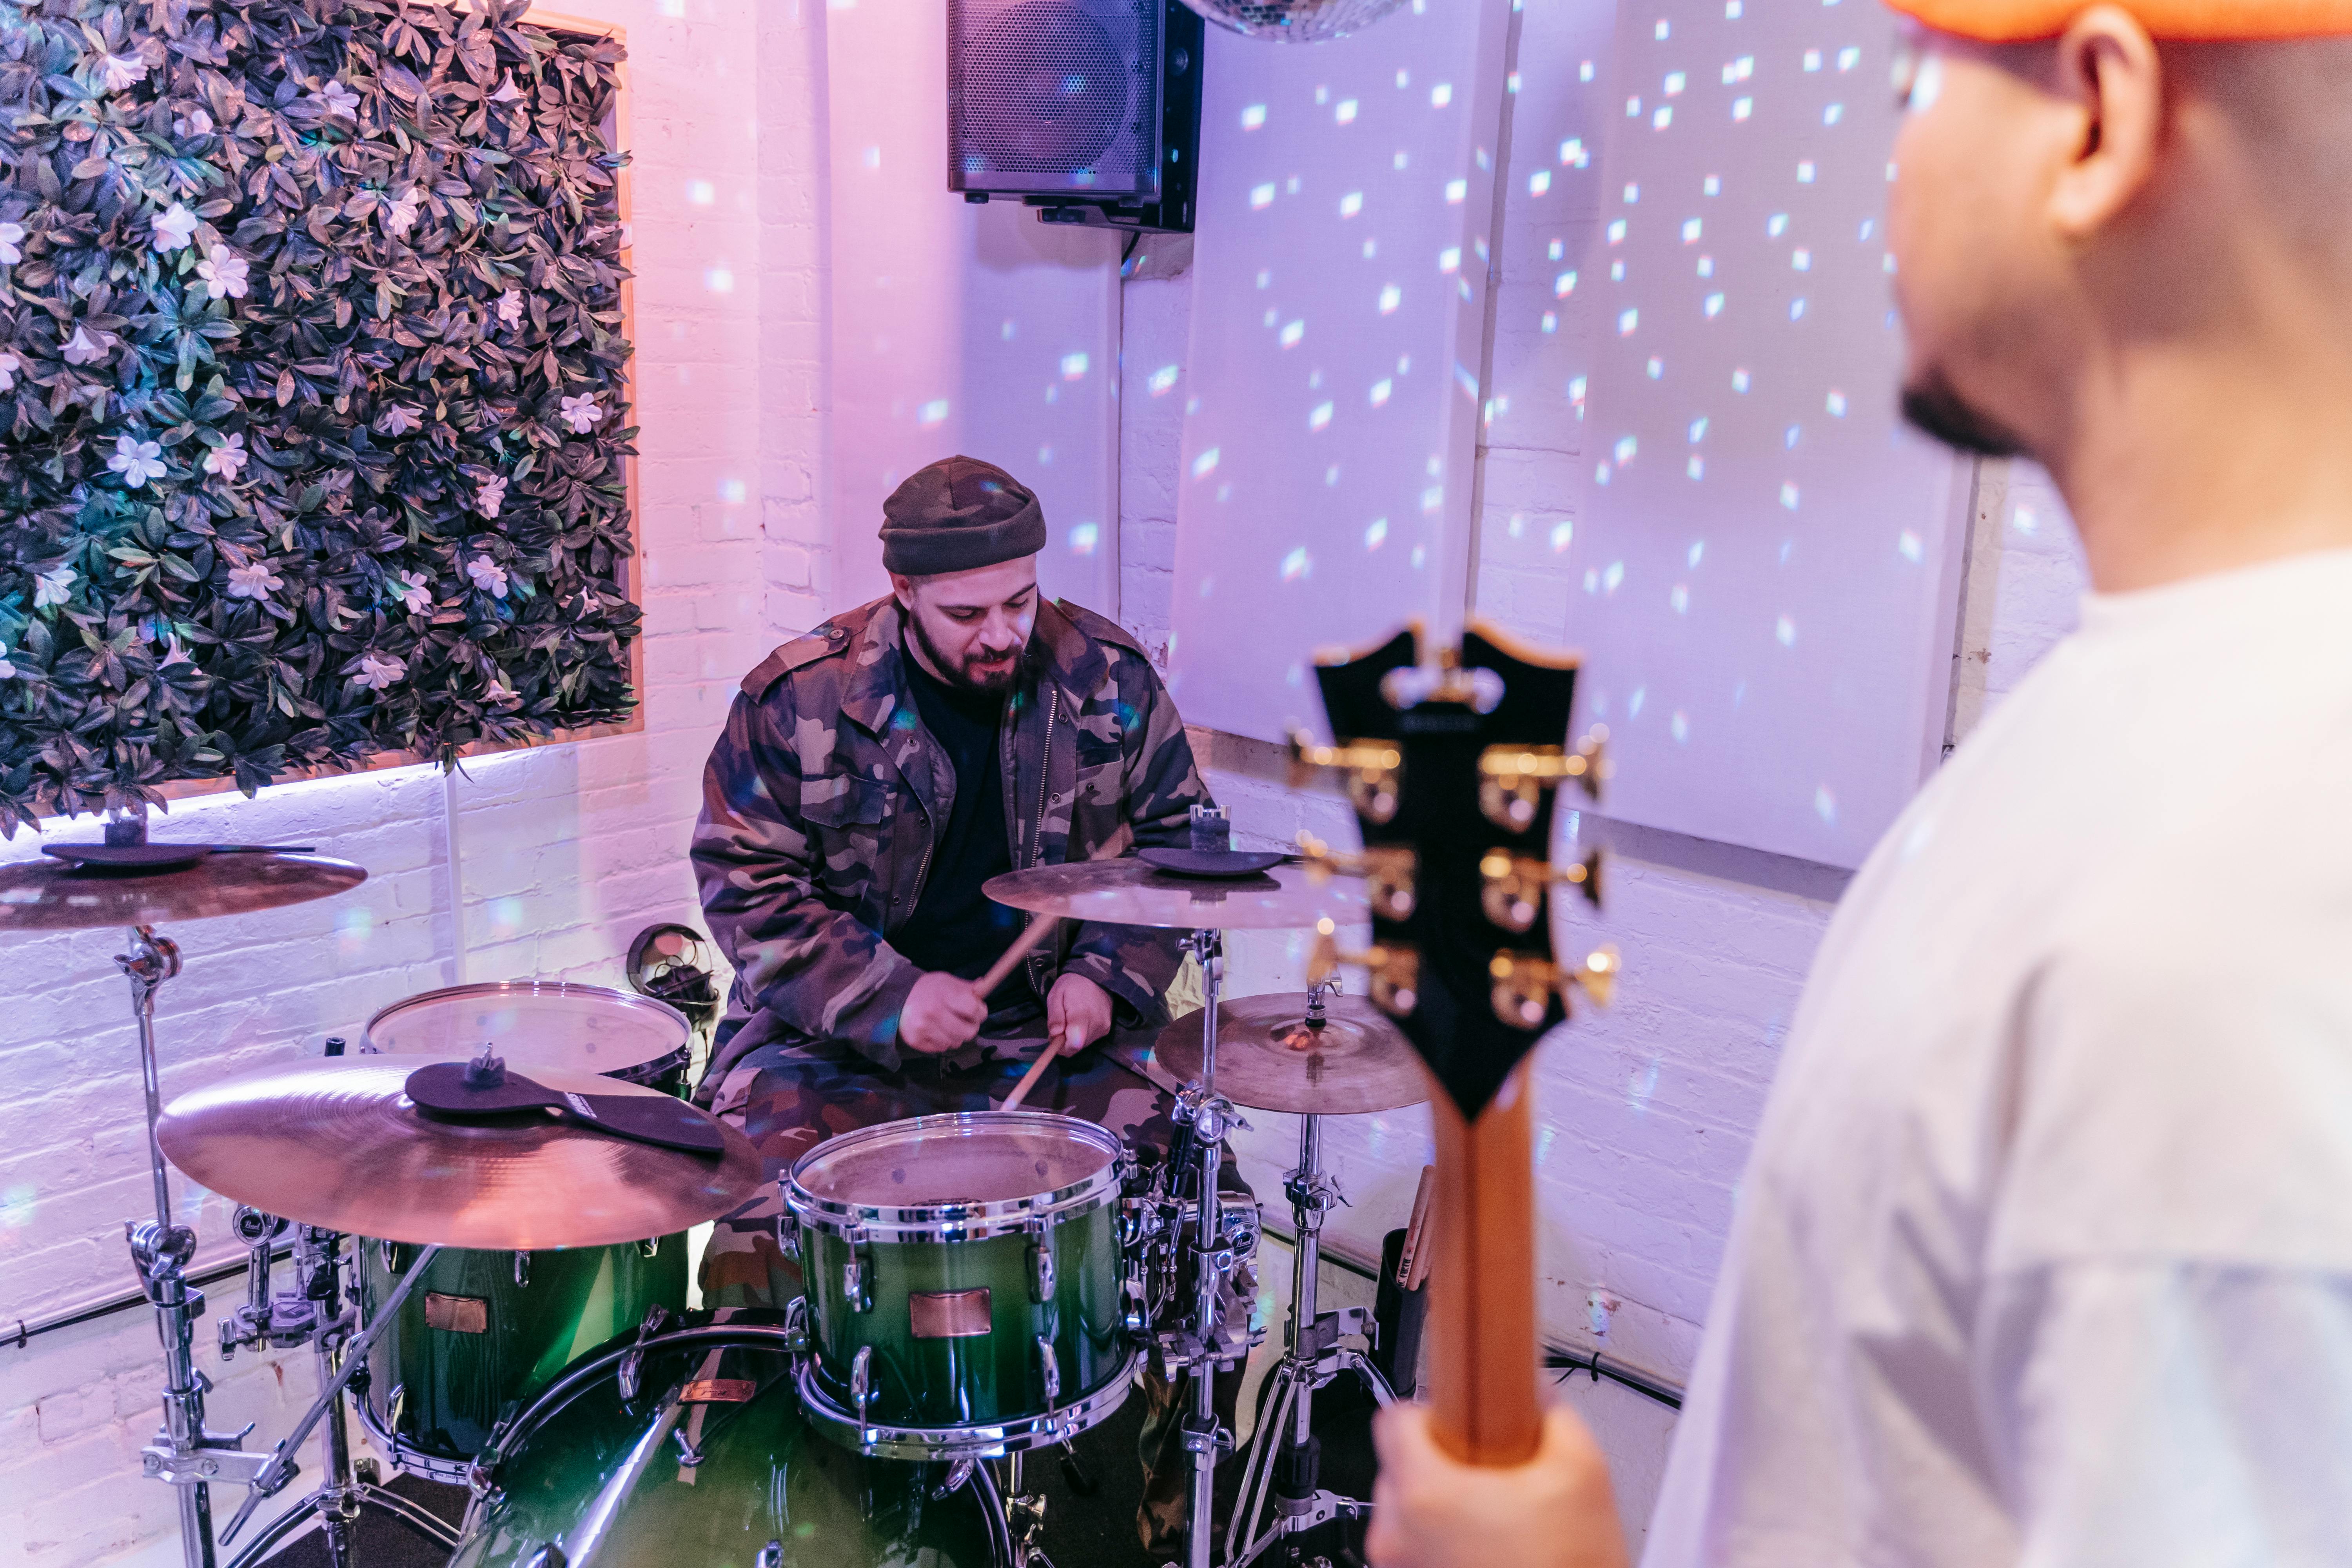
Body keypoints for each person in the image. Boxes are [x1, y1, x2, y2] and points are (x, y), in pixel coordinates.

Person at [1368, 4, 2352, 1565]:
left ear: (2099, 113)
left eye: (1916, 85)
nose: (1887, 163)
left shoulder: (2224, 917)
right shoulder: (2169, 751)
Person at [690, 454, 1243, 1553]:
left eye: (1020, 601)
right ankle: (767, 1510)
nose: (1001, 631)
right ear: (903, 595)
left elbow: (1188, 851)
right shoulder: (798, 697)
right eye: (968, 612)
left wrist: (1106, 972)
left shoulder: (1110, 678)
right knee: (756, 1227)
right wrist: (890, 995)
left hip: (1052, 1029)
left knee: (1195, 1215)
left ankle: (1147, 1517)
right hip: (834, 1038)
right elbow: (739, 878)